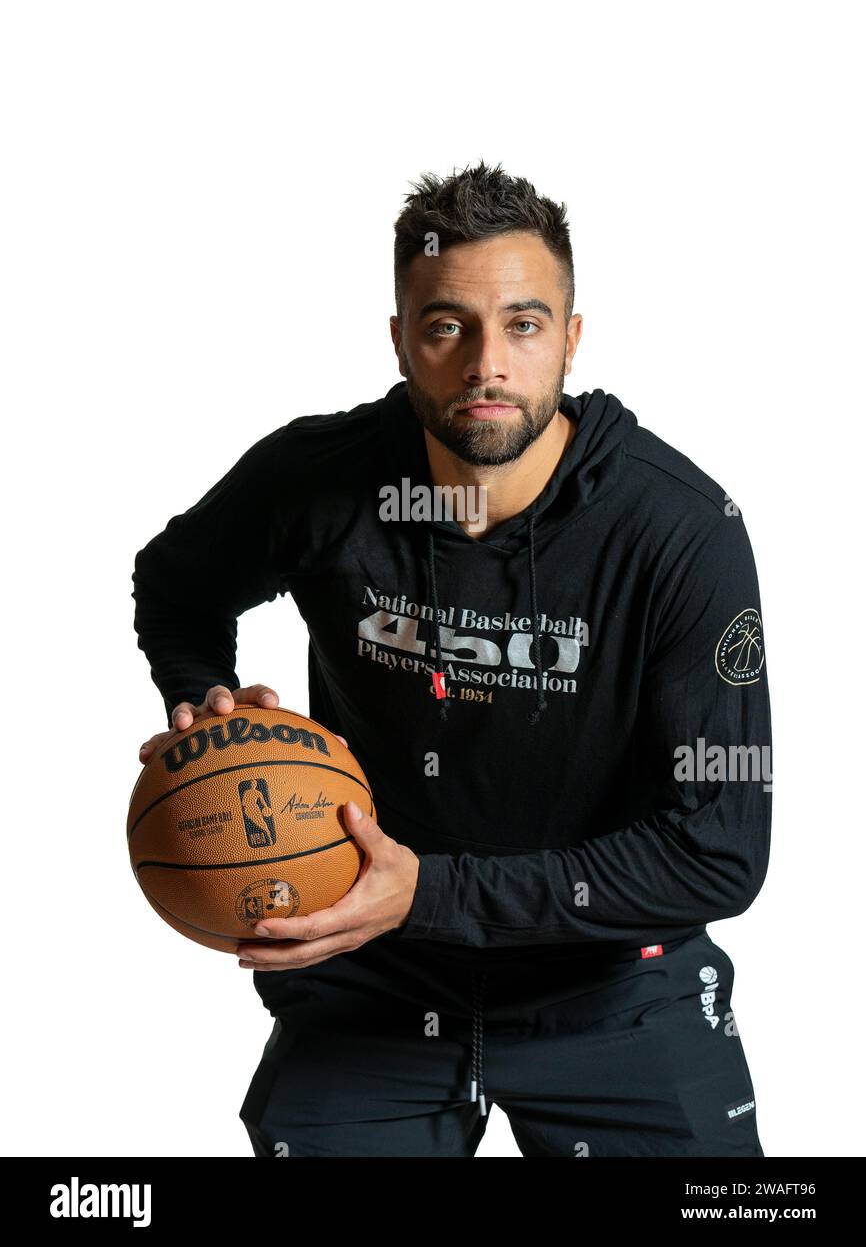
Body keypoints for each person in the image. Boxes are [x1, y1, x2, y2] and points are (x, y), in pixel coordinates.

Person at [131, 160, 772, 1157]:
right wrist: (206, 697)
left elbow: (717, 848)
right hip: (373, 978)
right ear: (399, 341)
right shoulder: (320, 479)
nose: (485, 365)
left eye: (521, 324)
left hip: (611, 986)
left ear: (568, 336)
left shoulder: (676, 530)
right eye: (446, 326)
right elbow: (177, 583)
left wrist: (429, 891)